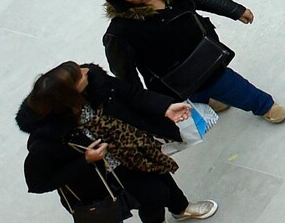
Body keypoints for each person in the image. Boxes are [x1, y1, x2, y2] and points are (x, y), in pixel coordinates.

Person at [16, 60, 218, 223]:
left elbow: (132, 94)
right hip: (112, 174)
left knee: (162, 174)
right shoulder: (48, 141)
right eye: (80, 76)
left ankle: (180, 208)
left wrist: (165, 107)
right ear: (69, 96)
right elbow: (38, 183)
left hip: (137, 149)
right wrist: (86, 159)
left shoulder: (97, 85)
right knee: (153, 197)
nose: (87, 70)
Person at [101, 0, 285, 124]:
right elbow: (125, 74)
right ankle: (265, 106)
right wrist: (146, 104)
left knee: (212, 86)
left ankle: (210, 99)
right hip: (174, 75)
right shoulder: (120, 32)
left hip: (204, 52)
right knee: (230, 85)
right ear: (121, 2)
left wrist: (235, 10)